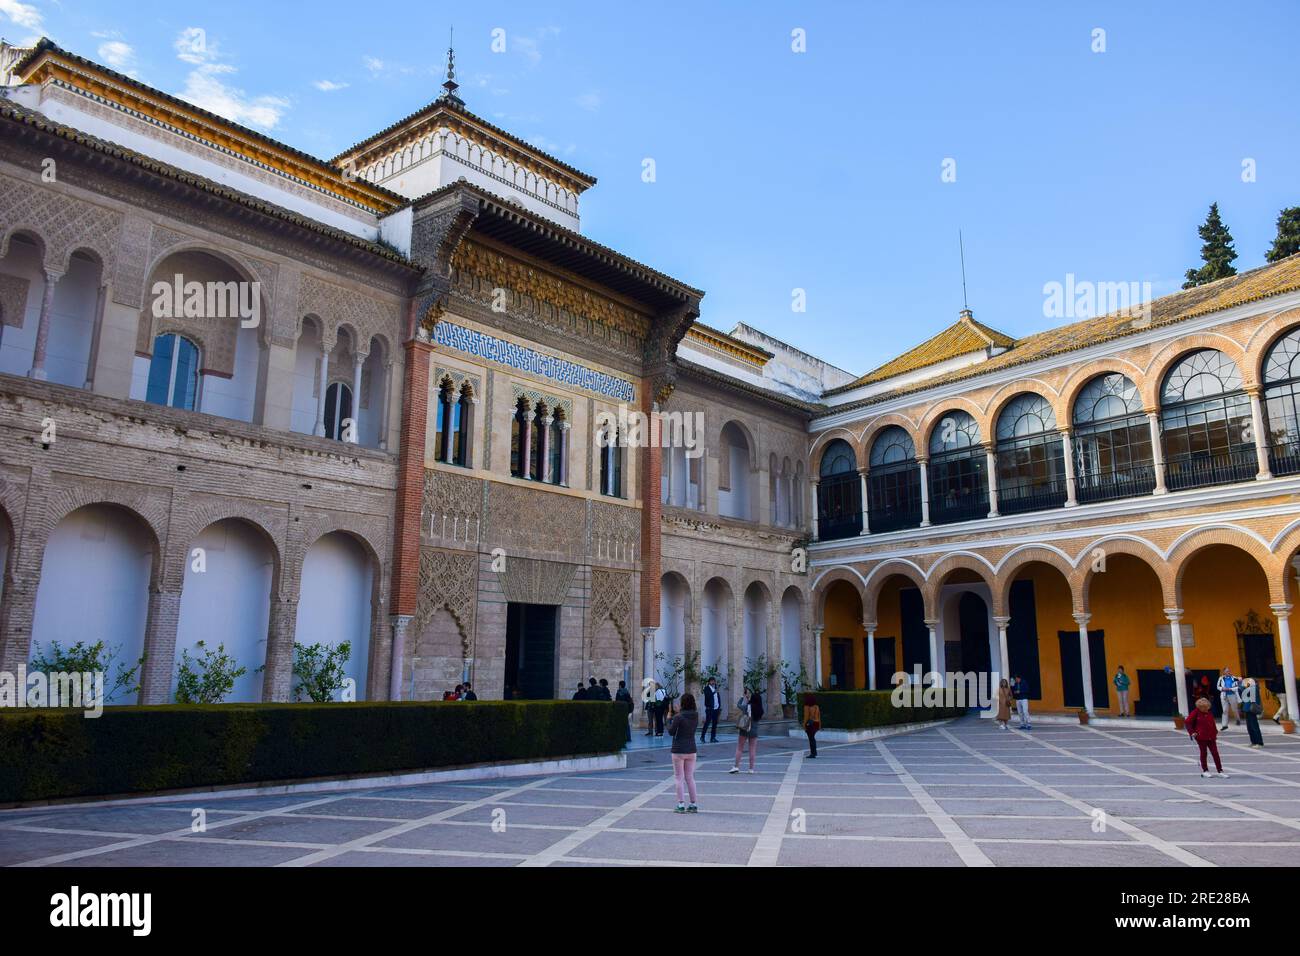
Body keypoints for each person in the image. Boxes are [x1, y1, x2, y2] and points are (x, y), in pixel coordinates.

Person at [666, 692, 699, 813]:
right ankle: (693, 803)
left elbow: (671, 732)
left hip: (678, 749)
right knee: (690, 777)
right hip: (691, 749)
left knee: (679, 777)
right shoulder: (695, 715)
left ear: (682, 704)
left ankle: (680, 804)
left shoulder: (678, 717)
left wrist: (669, 718)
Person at [728, 689, 760, 773]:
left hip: (745, 729)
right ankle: (751, 768)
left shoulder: (747, 707)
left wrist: (743, 697)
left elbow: (739, 705)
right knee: (752, 749)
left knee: (739, 748)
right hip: (754, 730)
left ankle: (736, 766)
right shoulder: (760, 709)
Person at [1240, 677, 1265, 748]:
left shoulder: (1254, 689)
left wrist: (1242, 686)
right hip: (1247, 709)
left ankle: (1259, 742)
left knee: (1254, 726)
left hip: (1251, 709)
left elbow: (1245, 694)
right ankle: (1253, 741)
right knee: (1250, 727)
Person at [700, 676, 721, 743]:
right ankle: (702, 737)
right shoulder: (706, 688)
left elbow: (718, 698)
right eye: (711, 681)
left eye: (714, 681)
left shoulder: (715, 688)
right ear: (709, 682)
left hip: (716, 709)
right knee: (707, 723)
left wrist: (719, 706)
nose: (713, 682)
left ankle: (713, 738)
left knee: (715, 724)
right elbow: (708, 696)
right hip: (710, 709)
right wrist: (714, 692)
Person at [803, 692, 821, 758]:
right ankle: (814, 752)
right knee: (813, 738)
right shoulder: (816, 706)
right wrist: (819, 725)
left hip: (810, 724)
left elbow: (806, 717)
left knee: (811, 739)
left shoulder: (807, 707)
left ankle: (813, 753)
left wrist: (804, 725)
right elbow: (819, 716)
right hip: (816, 723)